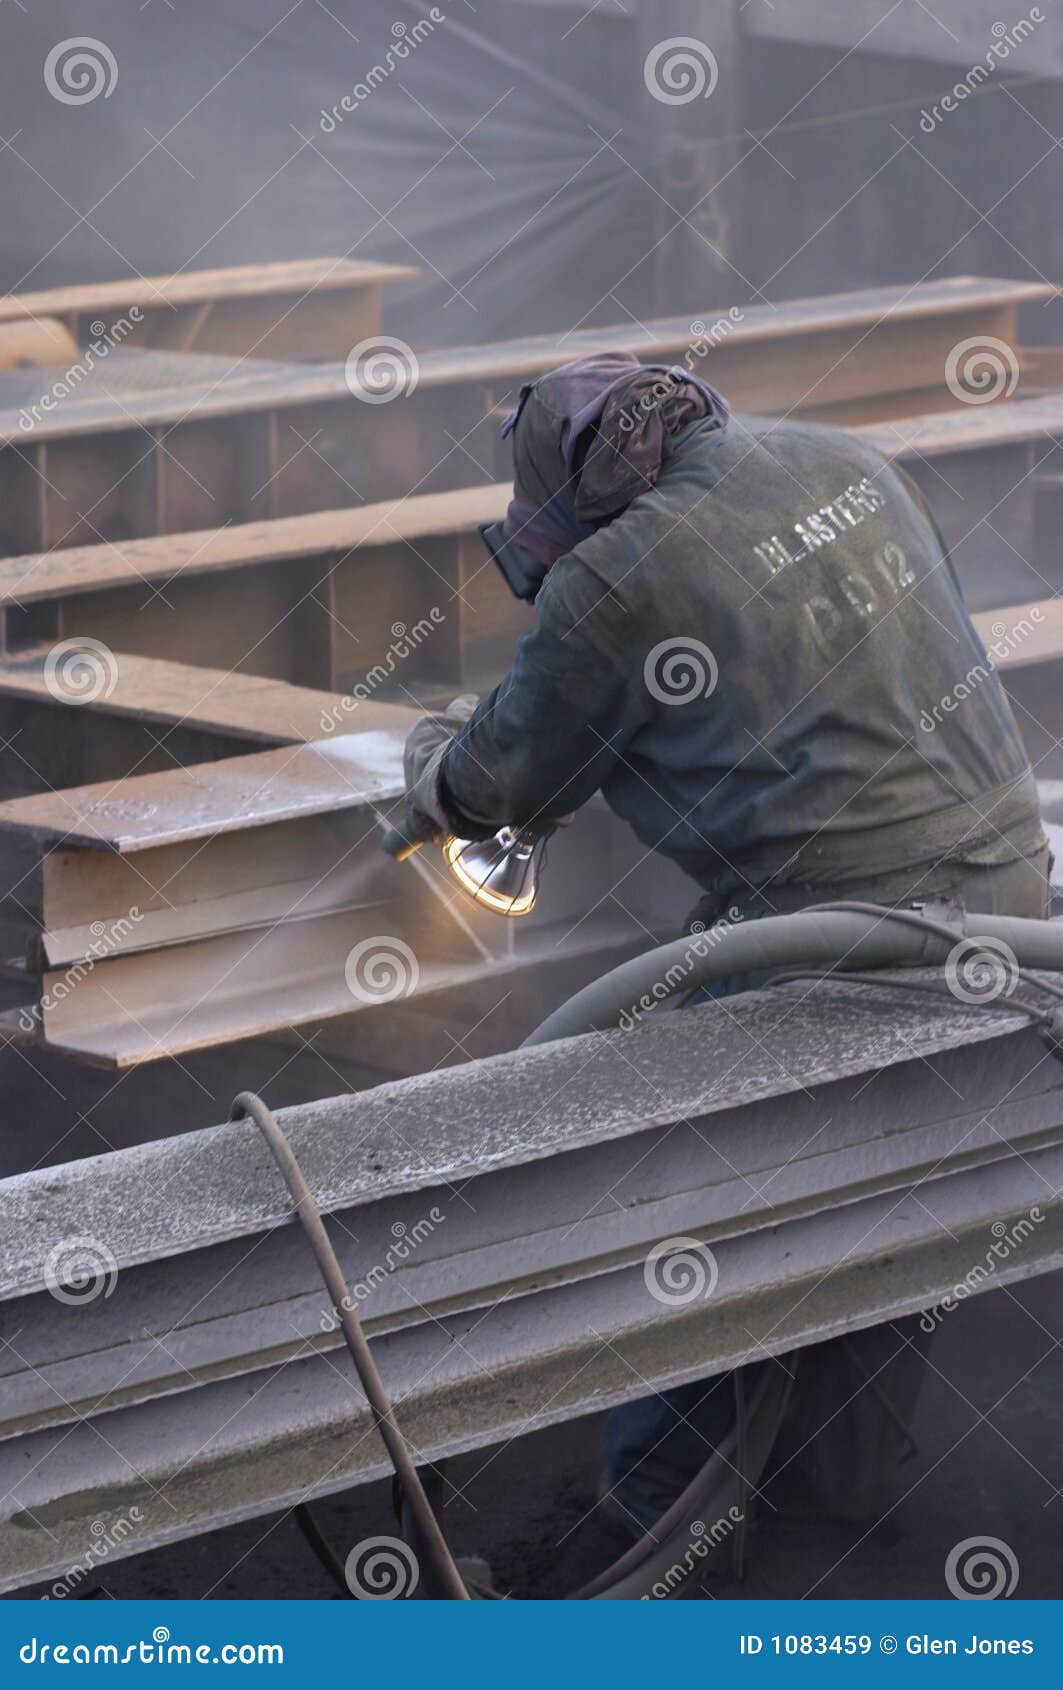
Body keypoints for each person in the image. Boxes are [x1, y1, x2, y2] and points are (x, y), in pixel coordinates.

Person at [400, 351, 1050, 1541]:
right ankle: (837, 1504)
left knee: (686, 1206)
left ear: (578, 492)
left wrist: (432, 759)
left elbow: (494, 782)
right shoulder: (847, 461)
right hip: (1015, 905)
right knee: (884, 1210)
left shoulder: (616, 572)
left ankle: (651, 1538)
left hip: (838, 944)